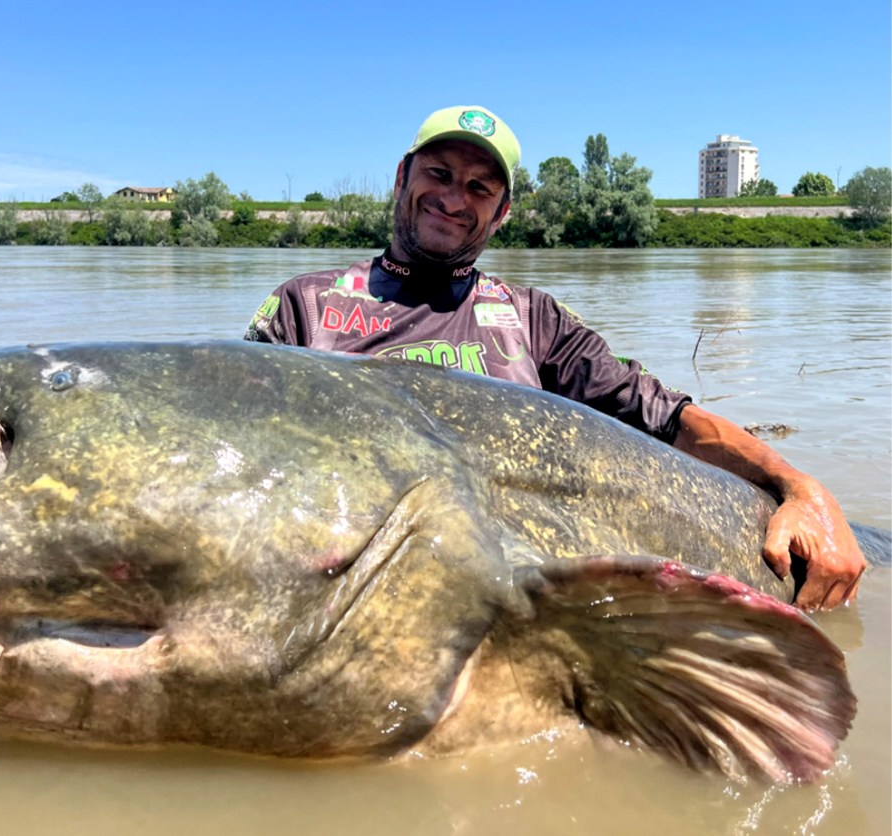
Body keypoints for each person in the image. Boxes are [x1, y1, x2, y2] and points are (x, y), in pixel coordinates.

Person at [244, 105, 865, 611]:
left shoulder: (533, 318)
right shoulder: (304, 306)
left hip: (513, 596)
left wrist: (800, 487)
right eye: (438, 173)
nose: (455, 198)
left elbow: (666, 419)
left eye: (479, 187)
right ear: (403, 175)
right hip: (354, 590)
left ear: (502, 212)